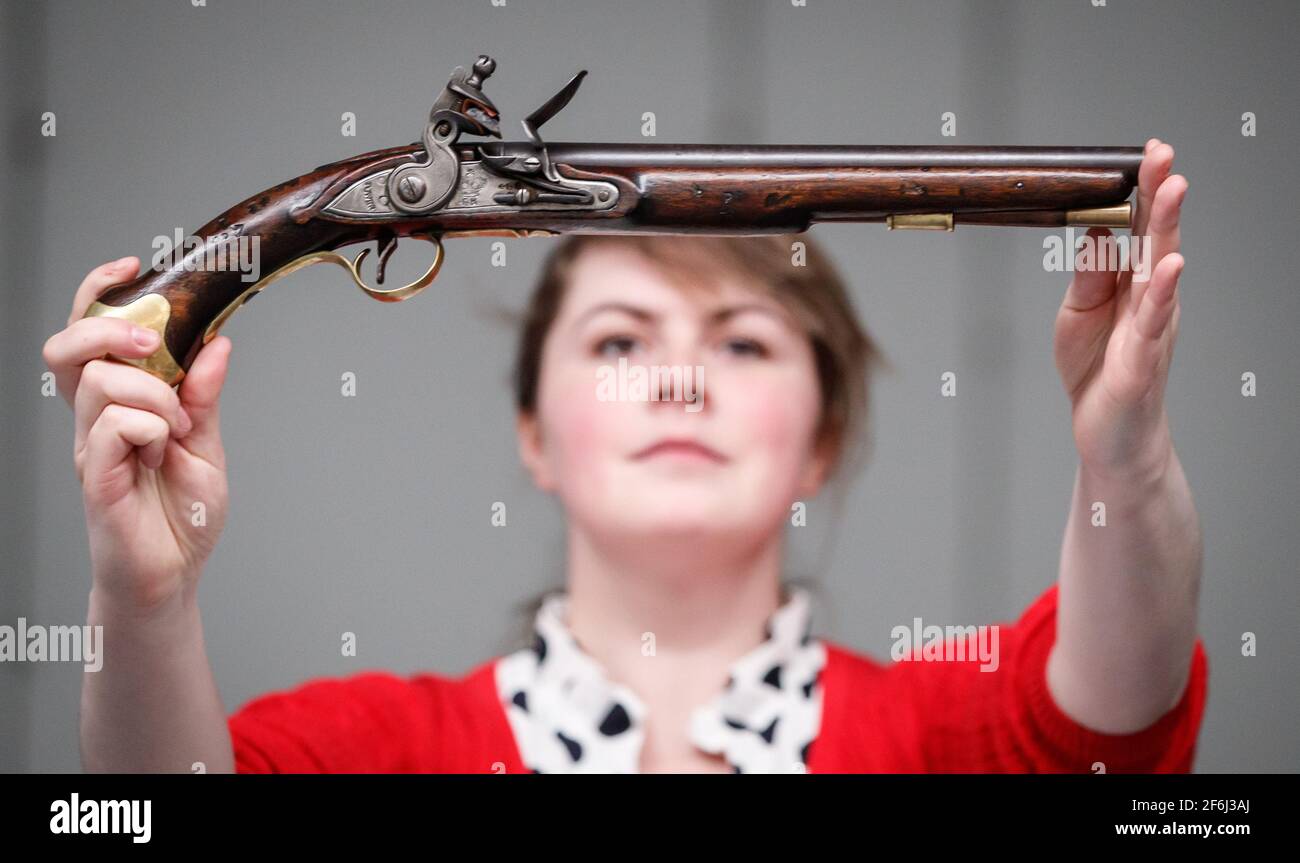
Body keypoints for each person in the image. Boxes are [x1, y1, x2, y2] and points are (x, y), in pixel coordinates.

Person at [44, 139, 1205, 774]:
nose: (678, 379)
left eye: (743, 343)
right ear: (533, 433)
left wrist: (1125, 456)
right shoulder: (363, 746)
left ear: (825, 436)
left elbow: (1112, 713)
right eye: (618, 340)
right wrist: (144, 601)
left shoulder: (950, 727)